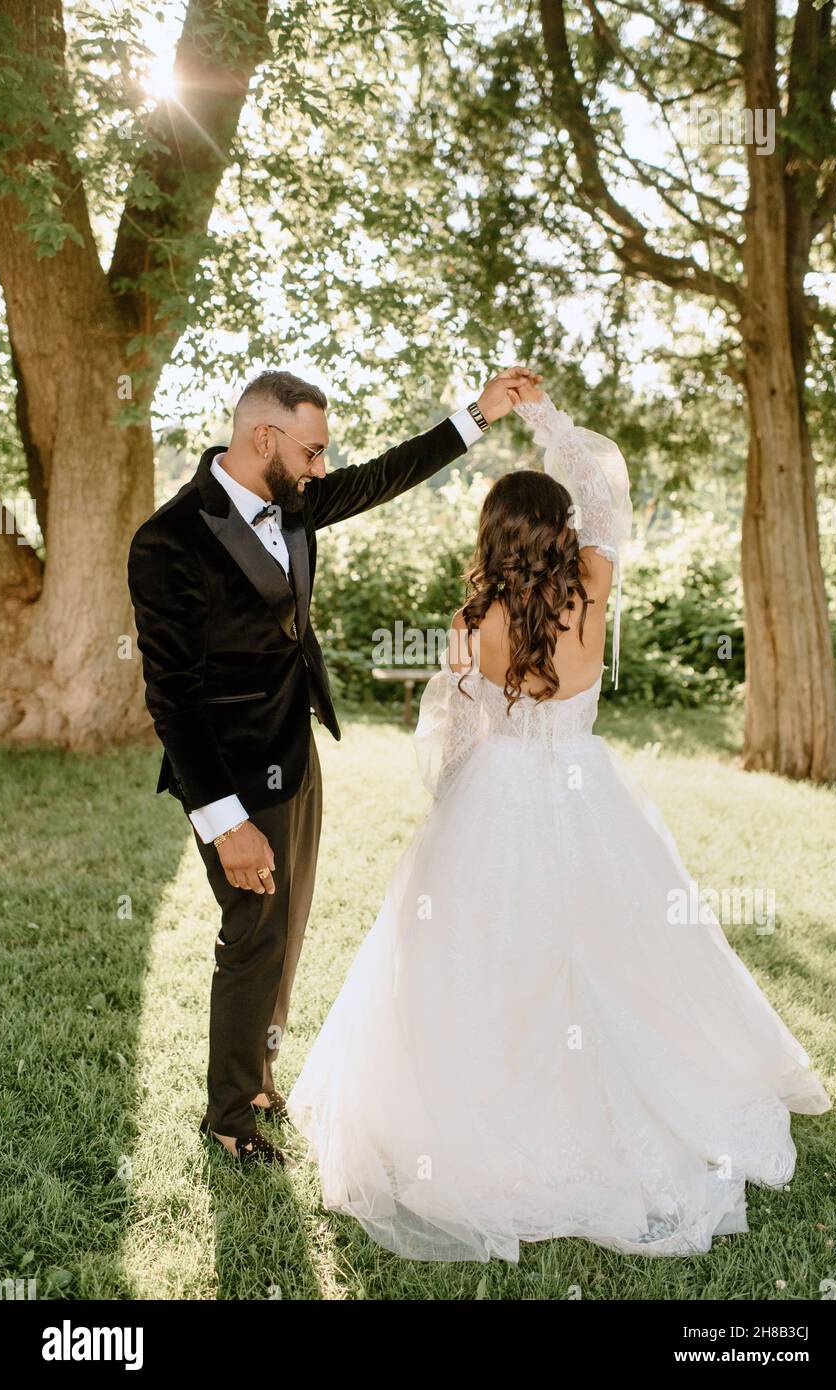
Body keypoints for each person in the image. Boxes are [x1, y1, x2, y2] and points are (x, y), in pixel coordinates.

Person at [286, 381, 832, 1260]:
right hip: (585, 792)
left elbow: (455, 742)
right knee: (623, 950)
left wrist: (455, 818)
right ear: (563, 530)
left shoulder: (476, 621)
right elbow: (602, 484)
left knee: (484, 959)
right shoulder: (592, 582)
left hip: (498, 798)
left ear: (492, 538)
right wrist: (542, 419)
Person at [127, 364, 542, 1164]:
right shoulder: (168, 542)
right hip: (232, 773)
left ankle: (255, 1079)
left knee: (286, 926)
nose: (322, 468)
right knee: (253, 932)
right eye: (312, 452)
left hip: (294, 749)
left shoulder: (293, 500)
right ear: (263, 438)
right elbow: (172, 697)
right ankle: (228, 1120)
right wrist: (226, 824)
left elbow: (386, 475)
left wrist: (478, 415)